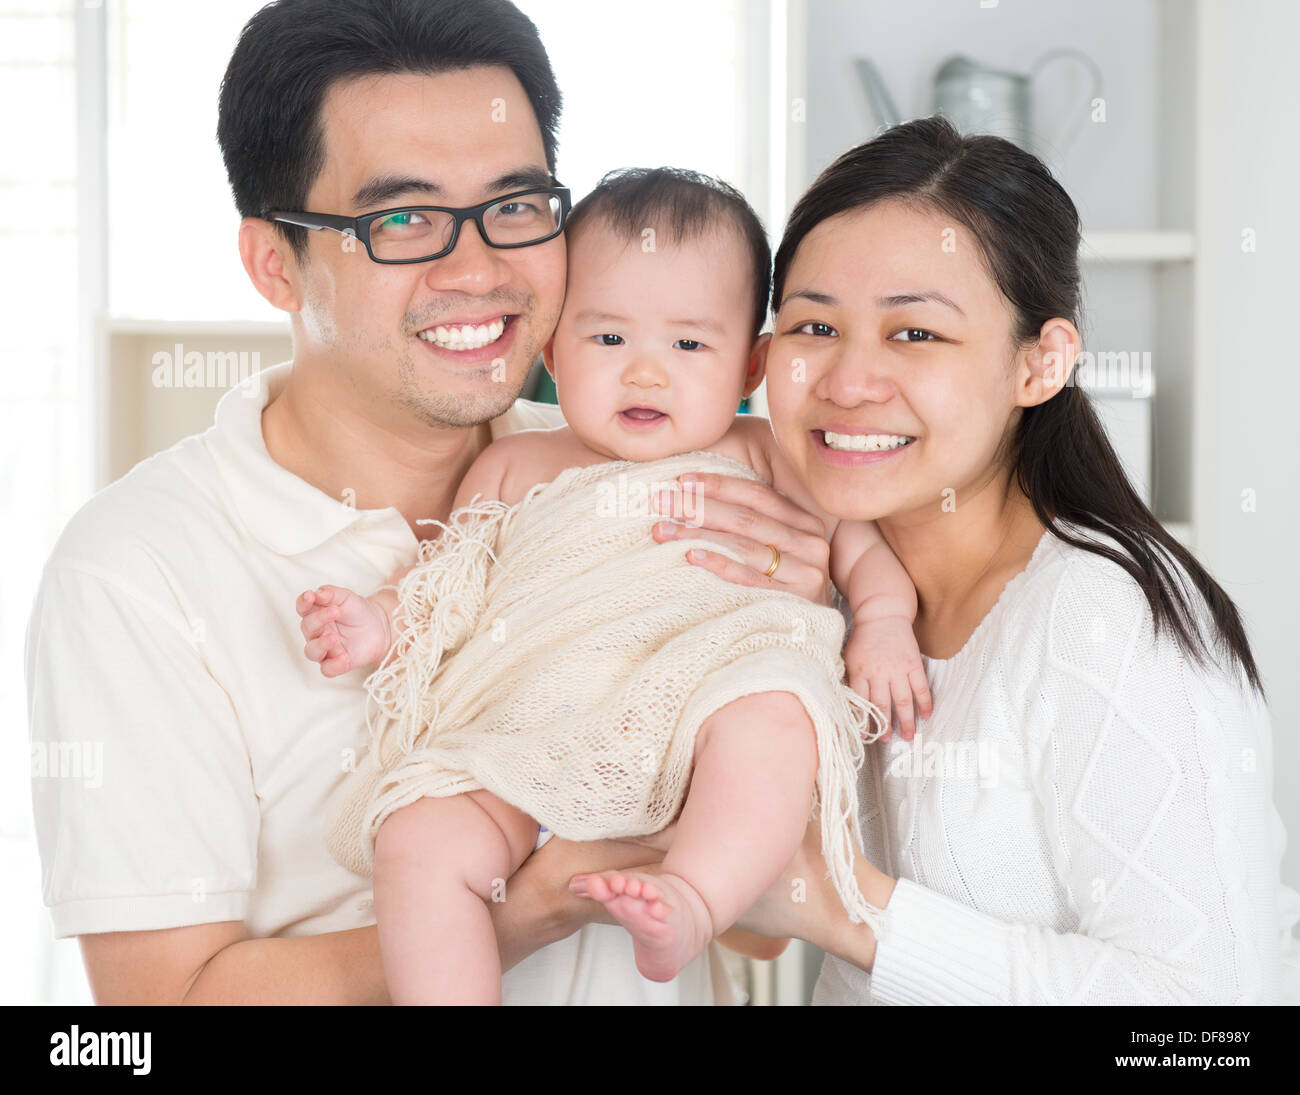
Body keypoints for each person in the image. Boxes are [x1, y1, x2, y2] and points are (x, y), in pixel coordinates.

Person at [23, 0, 832, 1005]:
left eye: (516, 206)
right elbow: (159, 1008)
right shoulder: (137, 571)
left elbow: (759, 930)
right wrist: (530, 905)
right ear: (276, 262)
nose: (479, 269)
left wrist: (785, 627)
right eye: (401, 218)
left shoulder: (634, 475)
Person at [296, 168, 932, 1003]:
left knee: (775, 717)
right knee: (418, 837)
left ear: (752, 363)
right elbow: (446, 579)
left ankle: (692, 897)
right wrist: (379, 623)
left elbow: (862, 551)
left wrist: (883, 623)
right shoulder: (517, 462)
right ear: (554, 349)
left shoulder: (762, 452)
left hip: (702, 705)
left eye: (688, 345)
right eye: (608, 341)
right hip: (536, 728)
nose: (645, 374)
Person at [717, 115, 1300, 1004]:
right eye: (813, 326)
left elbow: (1211, 1026)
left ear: (1041, 362)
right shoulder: (824, 584)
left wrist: (848, 907)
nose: (846, 380)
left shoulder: (1102, 618)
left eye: (915, 334)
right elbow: (758, 918)